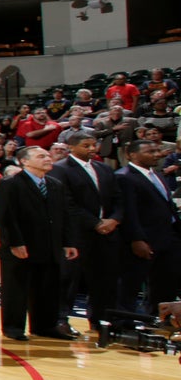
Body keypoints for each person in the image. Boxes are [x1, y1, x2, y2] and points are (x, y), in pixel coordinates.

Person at [0, 146, 82, 341]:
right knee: (16, 288)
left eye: (48, 156)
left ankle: (45, 326)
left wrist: (68, 242)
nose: (48, 158)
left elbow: (64, 215)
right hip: (20, 245)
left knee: (48, 287)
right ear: (24, 161)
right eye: (41, 156)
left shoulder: (55, 184)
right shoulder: (10, 183)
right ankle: (13, 328)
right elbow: (4, 216)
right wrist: (14, 242)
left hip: (50, 245)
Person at [50, 130, 119, 335]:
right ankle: (61, 319)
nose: (91, 149)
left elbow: (118, 198)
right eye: (86, 146)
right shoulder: (60, 169)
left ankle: (100, 320)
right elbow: (67, 204)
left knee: (103, 279)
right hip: (76, 234)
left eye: (93, 145)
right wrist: (95, 222)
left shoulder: (104, 168)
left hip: (105, 233)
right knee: (68, 280)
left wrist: (114, 219)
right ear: (71, 147)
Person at [115, 138, 180, 315]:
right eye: (150, 152)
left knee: (165, 282)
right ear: (132, 155)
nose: (157, 154)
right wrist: (137, 239)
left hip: (168, 237)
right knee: (131, 283)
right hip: (144, 239)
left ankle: (159, 318)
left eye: (157, 150)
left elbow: (167, 205)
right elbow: (129, 213)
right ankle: (123, 321)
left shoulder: (156, 174)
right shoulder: (124, 176)